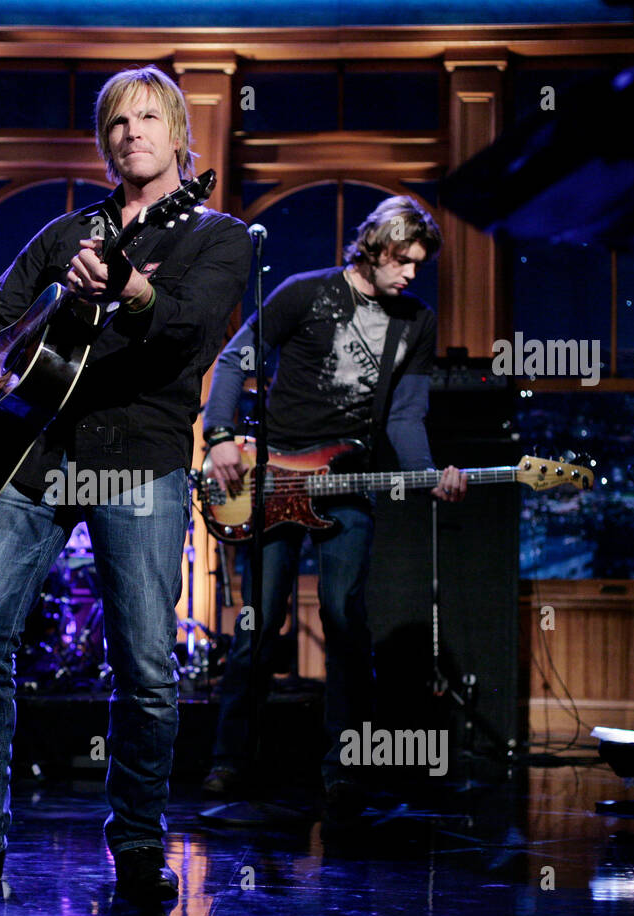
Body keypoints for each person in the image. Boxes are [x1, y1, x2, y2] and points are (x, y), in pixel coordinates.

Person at [0, 66, 252, 904]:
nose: (132, 132)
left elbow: (186, 333)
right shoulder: (68, 230)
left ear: (179, 137)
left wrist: (134, 288)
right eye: (116, 122)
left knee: (145, 666)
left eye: (149, 118)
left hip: (138, 462)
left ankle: (140, 844)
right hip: (29, 456)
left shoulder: (217, 237)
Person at [200, 196, 466, 816]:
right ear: (372, 248)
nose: (408, 274)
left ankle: (345, 768)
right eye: (401, 260)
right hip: (272, 478)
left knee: (347, 626)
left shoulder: (417, 323)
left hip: (349, 484)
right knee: (259, 628)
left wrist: (427, 475)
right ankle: (229, 761)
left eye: (418, 265)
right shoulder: (304, 292)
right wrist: (218, 439)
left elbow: (405, 415)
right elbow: (237, 357)